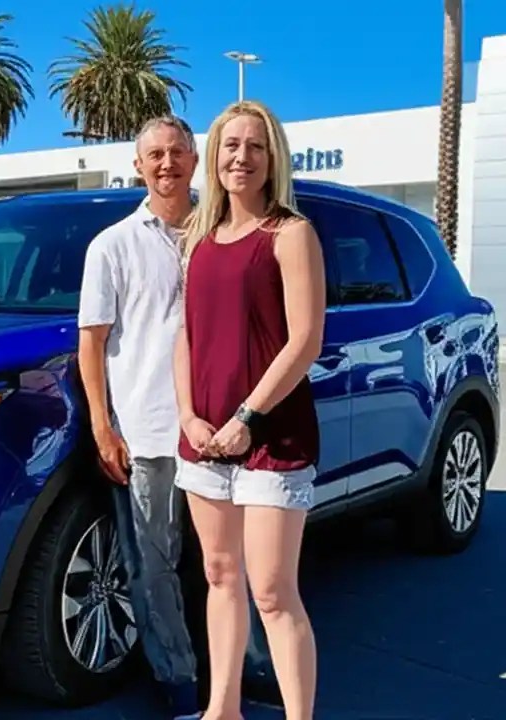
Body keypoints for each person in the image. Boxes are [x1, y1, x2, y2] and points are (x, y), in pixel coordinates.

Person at [172, 100, 327, 720]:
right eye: (230, 144)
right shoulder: (198, 240)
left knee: (271, 590)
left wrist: (247, 419)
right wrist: (188, 417)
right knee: (219, 575)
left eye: (254, 146)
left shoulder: (291, 235)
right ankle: (222, 710)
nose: (241, 157)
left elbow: (305, 341)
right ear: (214, 156)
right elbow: (184, 334)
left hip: (270, 437)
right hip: (205, 439)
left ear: (272, 158)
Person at [77, 114, 201, 716]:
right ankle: (179, 680)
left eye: (177, 152)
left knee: (235, 566)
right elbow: (91, 343)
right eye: (155, 154)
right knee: (154, 567)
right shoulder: (113, 246)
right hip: (149, 434)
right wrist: (103, 427)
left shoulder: (223, 232)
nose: (166, 164)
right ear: (138, 165)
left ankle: (249, 668)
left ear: (195, 161)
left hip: (224, 431)